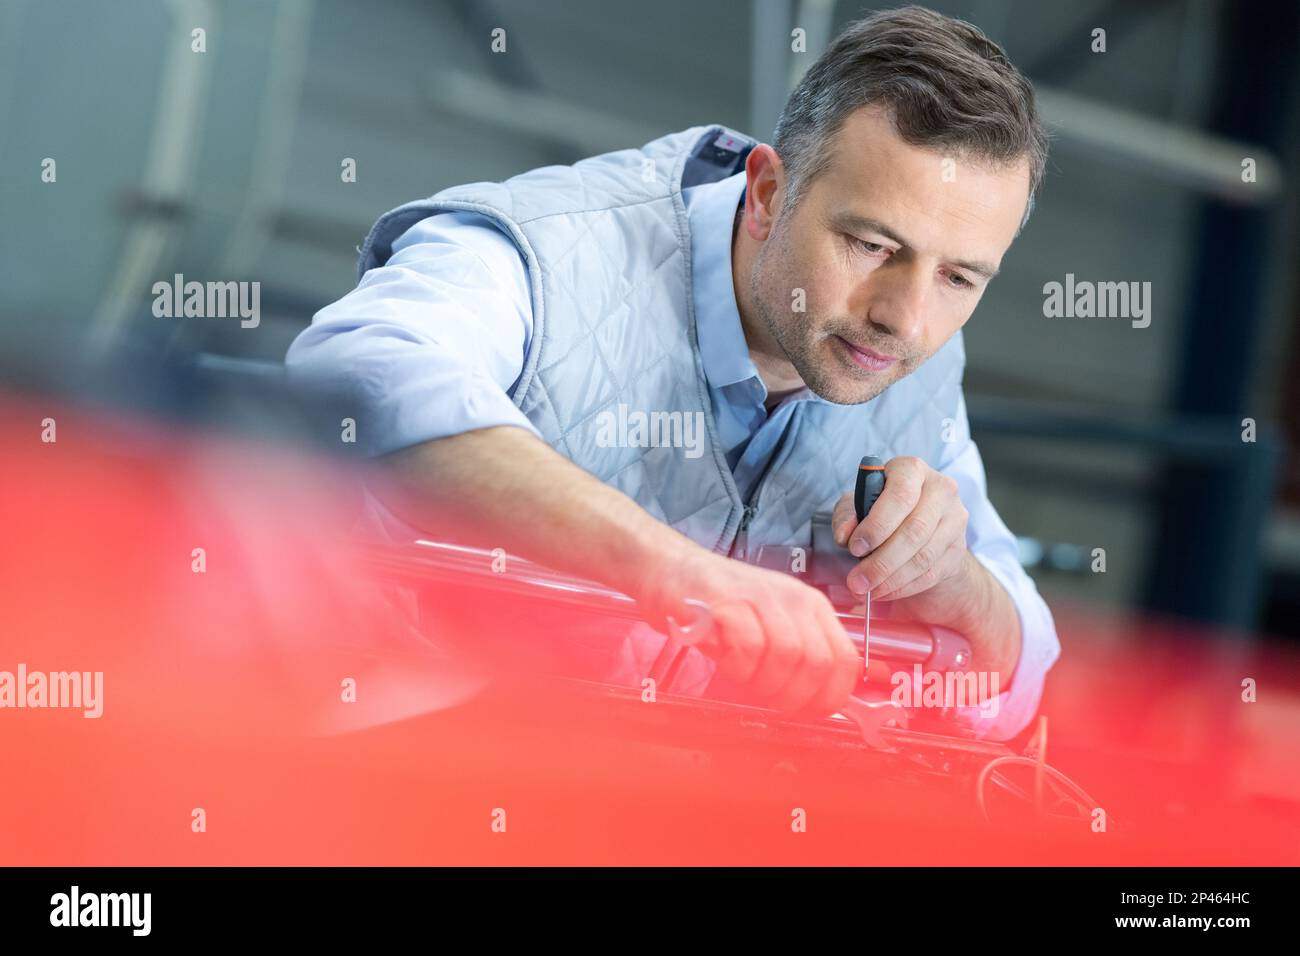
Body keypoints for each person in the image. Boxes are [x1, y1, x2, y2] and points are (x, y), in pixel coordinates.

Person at [286, 6, 1060, 740]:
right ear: (766, 194)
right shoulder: (556, 252)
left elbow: (1020, 677)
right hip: (383, 775)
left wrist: (958, 587)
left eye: (960, 278)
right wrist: (669, 569)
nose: (907, 318)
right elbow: (361, 369)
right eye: (872, 246)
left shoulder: (911, 352)